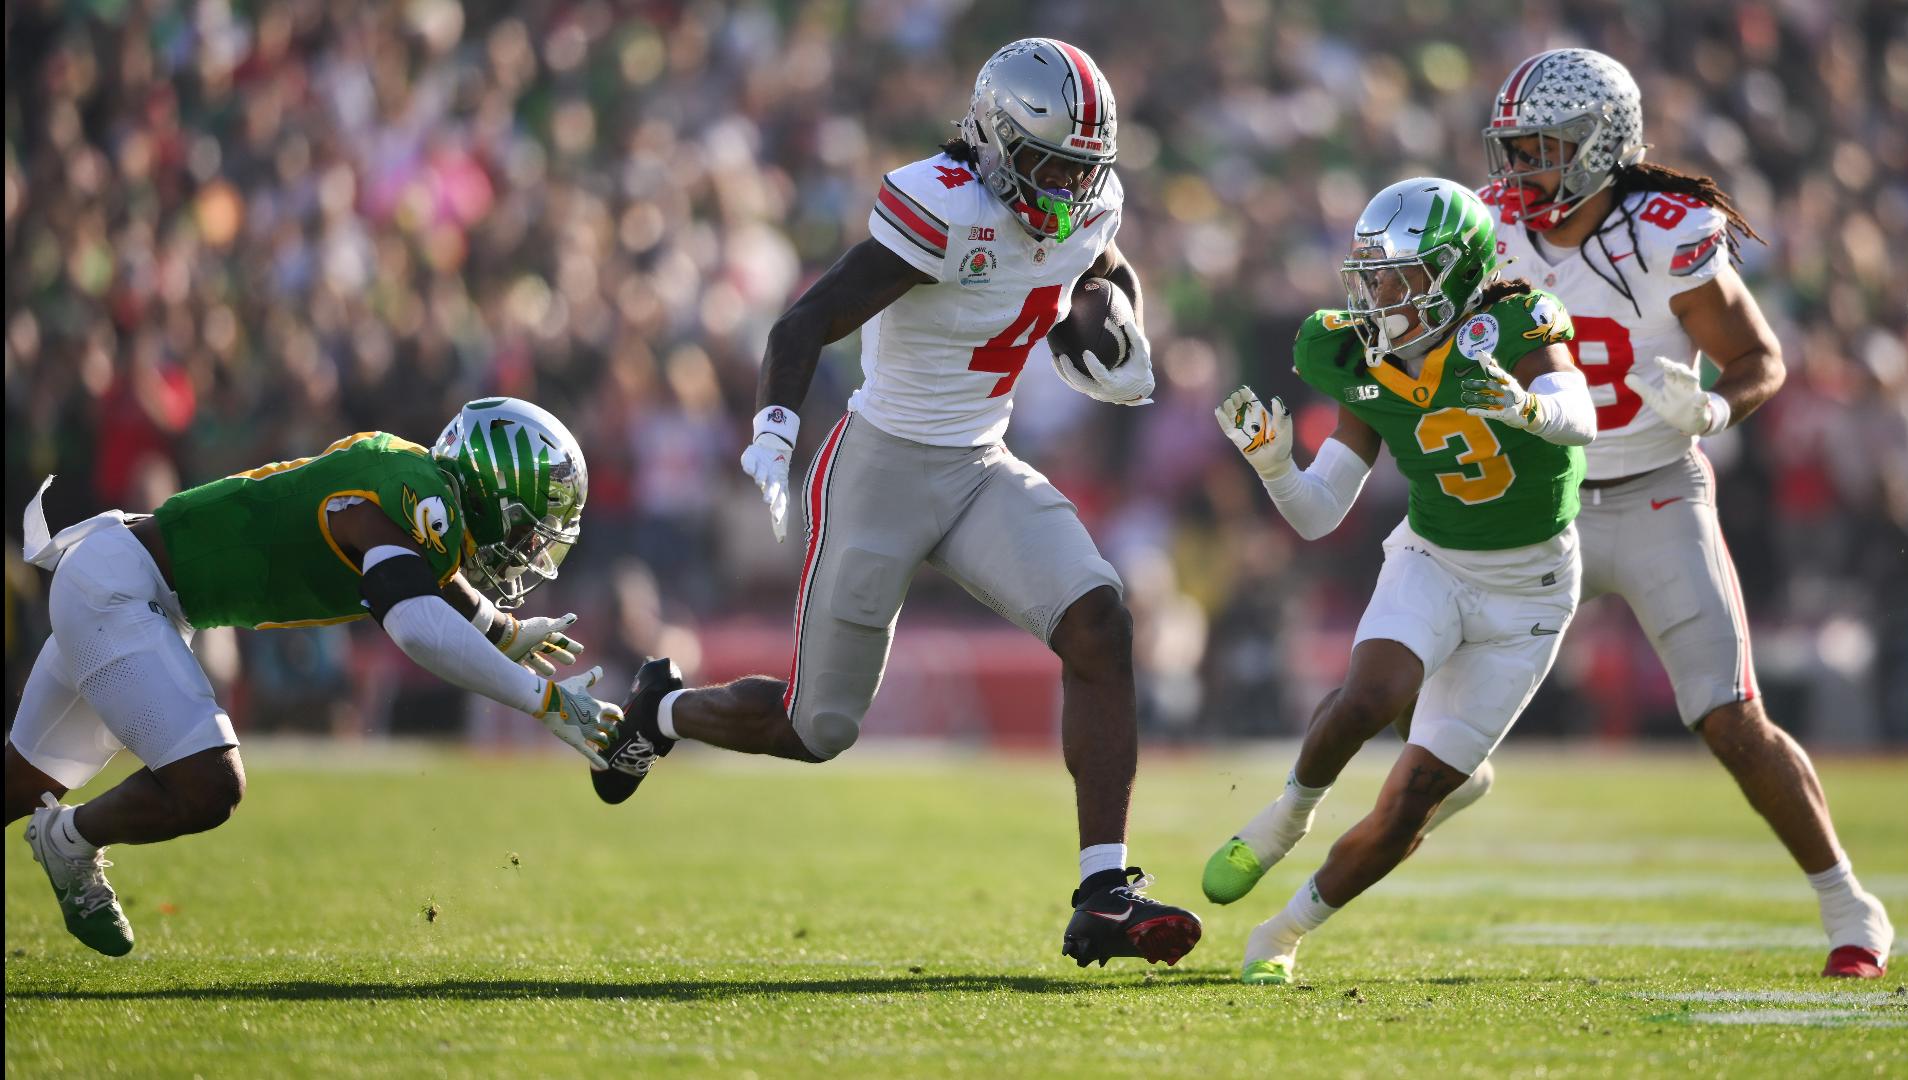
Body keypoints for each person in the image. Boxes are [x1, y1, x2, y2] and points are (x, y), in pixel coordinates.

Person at [587, 38, 1201, 969]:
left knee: (1100, 621)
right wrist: (774, 431)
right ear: (995, 141)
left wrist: (1117, 315)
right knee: (815, 727)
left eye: (1080, 169)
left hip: (981, 462)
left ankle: (1105, 890)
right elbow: (805, 321)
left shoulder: (1087, 197)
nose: (1064, 189)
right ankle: (660, 712)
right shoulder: (944, 204)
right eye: (1045, 164)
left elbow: (1099, 254)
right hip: (880, 466)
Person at [1478, 48, 1891, 978]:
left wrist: (1713, 409)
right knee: (1441, 703)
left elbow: (1760, 359)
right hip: (1546, 497)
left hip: (1660, 490)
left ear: (1598, 146)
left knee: (1729, 715)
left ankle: (1849, 907)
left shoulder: (1667, 231)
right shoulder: (1492, 223)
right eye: (1513, 149)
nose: (1519, 172)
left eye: (1540, 148)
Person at [6, 398, 622, 956]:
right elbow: (412, 621)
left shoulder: (413, 481)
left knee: (17, 783)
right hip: (120, 591)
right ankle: (69, 839)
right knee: (210, 782)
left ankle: (65, 836)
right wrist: (545, 703)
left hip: (127, 582)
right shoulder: (415, 497)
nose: (524, 547)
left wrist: (502, 632)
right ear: (489, 489)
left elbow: (426, 572)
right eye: (522, 527)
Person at [1204, 177, 1598, 984]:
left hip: (1532, 589)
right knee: (1372, 693)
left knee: (1411, 800)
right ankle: (1287, 817)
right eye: (1371, 275)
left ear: (1455, 277)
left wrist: (1526, 409)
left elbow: (1581, 414)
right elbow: (1319, 514)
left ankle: (1282, 934)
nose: (1376, 295)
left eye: (1397, 277)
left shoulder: (1514, 324)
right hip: (1434, 555)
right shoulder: (1353, 353)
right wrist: (1276, 466)